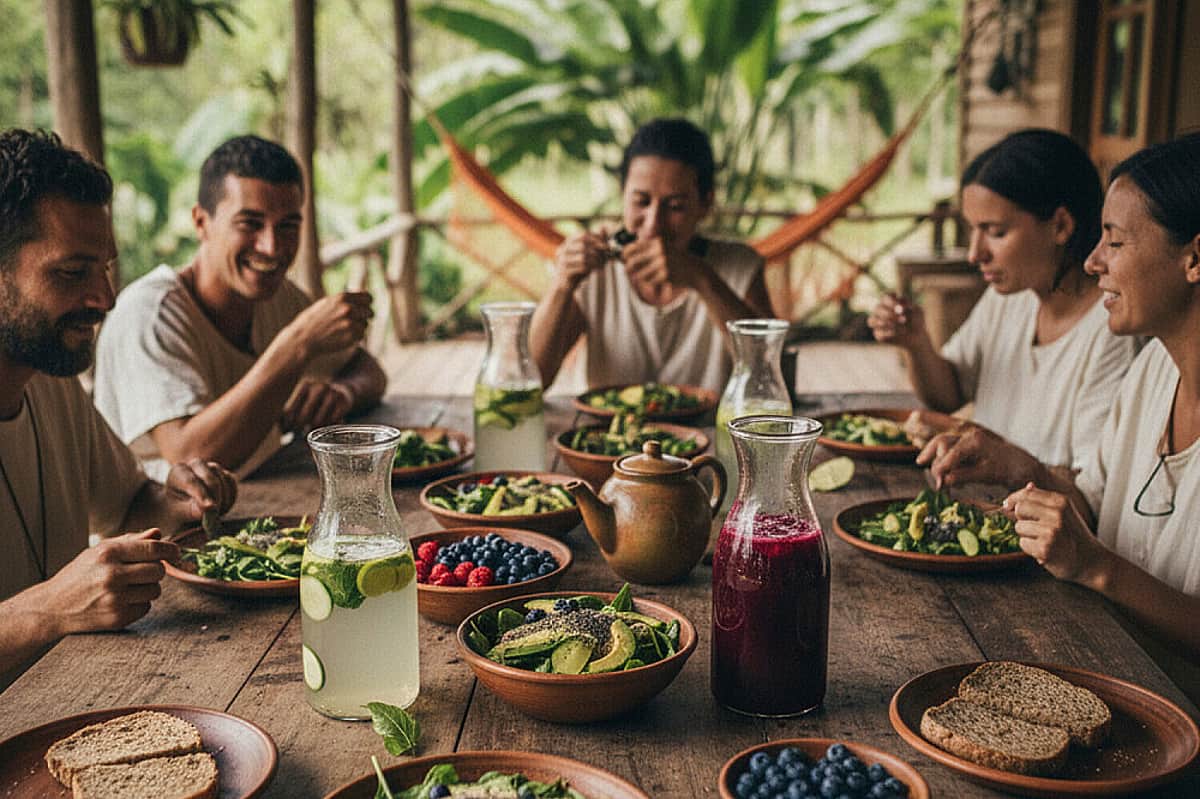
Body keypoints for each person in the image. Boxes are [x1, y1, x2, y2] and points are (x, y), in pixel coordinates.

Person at [927, 132, 1200, 682]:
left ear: (1194, 258)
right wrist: (1017, 466)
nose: (1093, 261)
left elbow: (1093, 553)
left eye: (1115, 242)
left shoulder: (1127, 352)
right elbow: (1091, 506)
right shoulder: (1154, 369)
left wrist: (1097, 568)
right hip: (1102, 663)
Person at [0, 129, 236, 686]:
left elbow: (128, 505)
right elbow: (54, 607)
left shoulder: (50, 378)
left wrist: (177, 500)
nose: (104, 298)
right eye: (71, 273)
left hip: (74, 693)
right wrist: (47, 609)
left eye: (104, 269)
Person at [93, 135, 386, 480]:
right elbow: (190, 455)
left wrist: (343, 393)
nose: (272, 247)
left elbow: (367, 370)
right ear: (201, 222)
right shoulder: (149, 315)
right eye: (250, 224)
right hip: (168, 516)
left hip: (261, 498)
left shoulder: (279, 297)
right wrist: (297, 343)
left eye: (288, 226)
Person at [869, 129, 1136, 478]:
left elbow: (1092, 487)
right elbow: (949, 395)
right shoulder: (1010, 298)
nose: (975, 253)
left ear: (1060, 225)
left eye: (995, 232)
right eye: (972, 230)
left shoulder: (1112, 333)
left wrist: (1010, 465)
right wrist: (916, 343)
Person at [530, 118, 774, 393]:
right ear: (623, 195)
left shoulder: (740, 267)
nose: (653, 224)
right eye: (641, 202)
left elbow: (769, 375)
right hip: (604, 422)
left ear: (705, 203)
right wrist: (562, 285)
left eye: (675, 206)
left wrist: (701, 279)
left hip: (709, 422)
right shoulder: (595, 269)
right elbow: (531, 380)